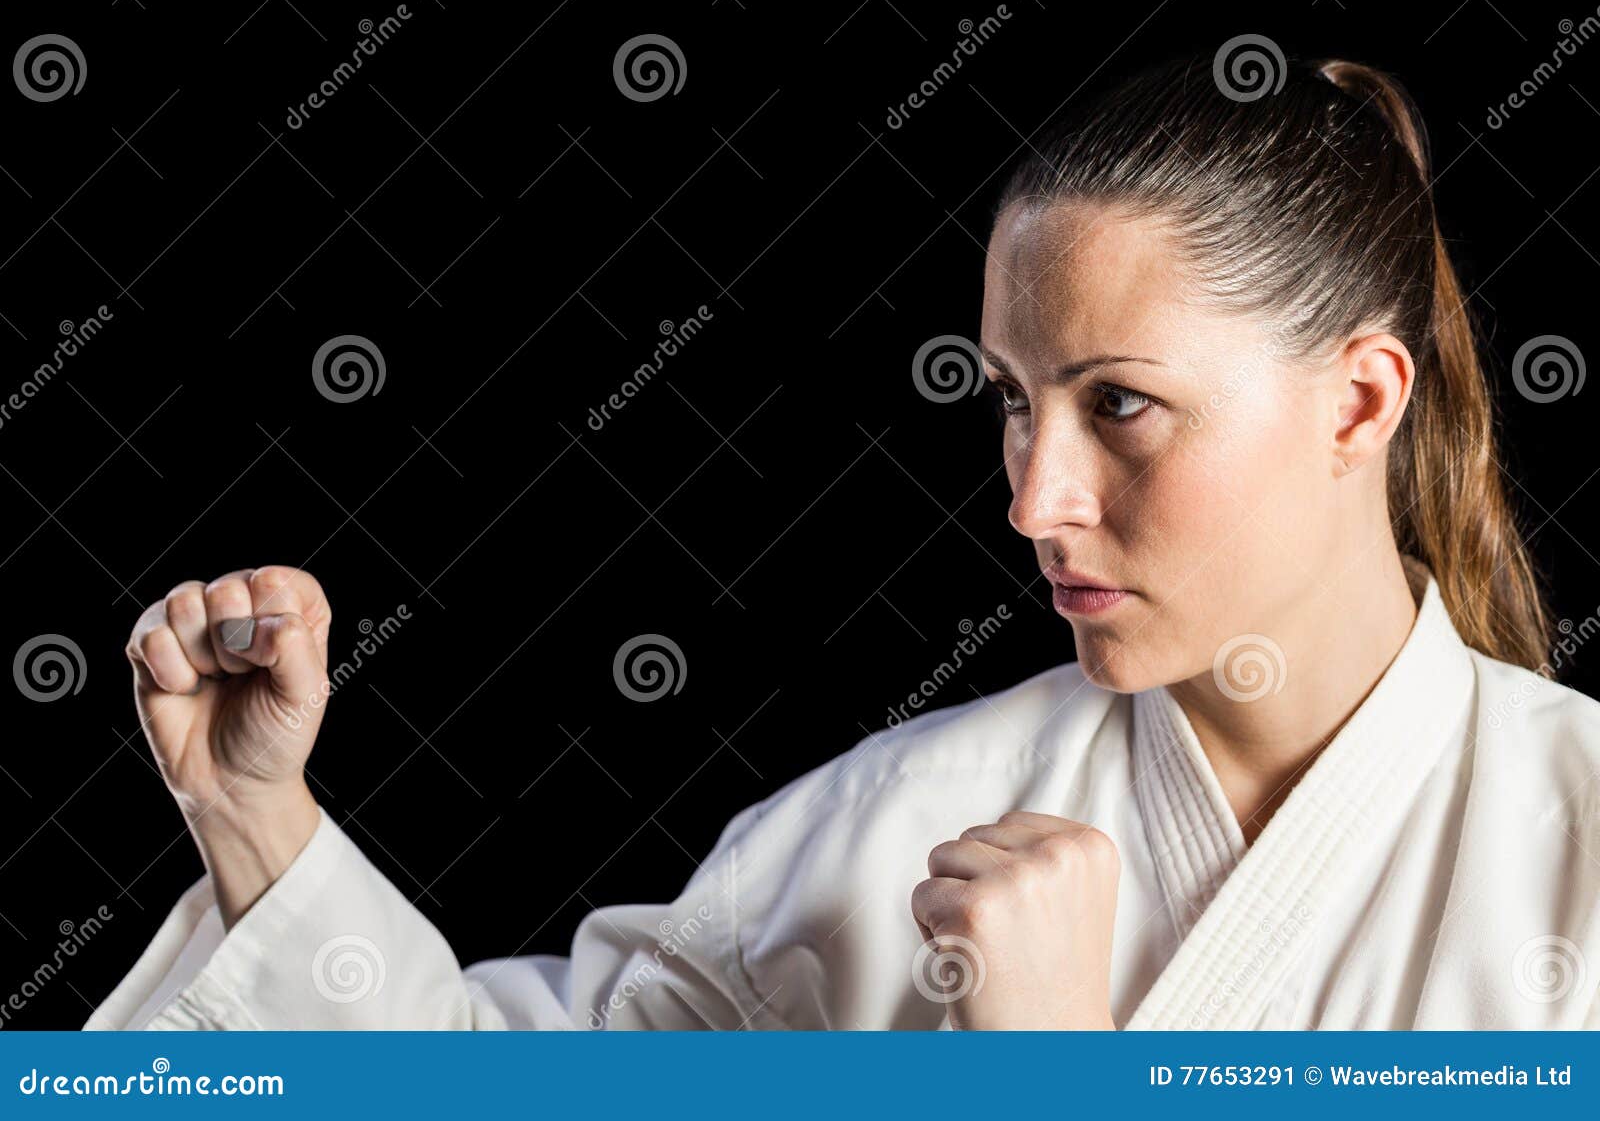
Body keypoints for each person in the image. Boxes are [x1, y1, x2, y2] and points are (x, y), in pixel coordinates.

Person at [88, 51, 1600, 1031]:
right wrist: (253, 815)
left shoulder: (1578, 842)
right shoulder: (887, 835)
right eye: (1013, 401)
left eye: (1123, 405)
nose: (1031, 497)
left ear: (1358, 400)